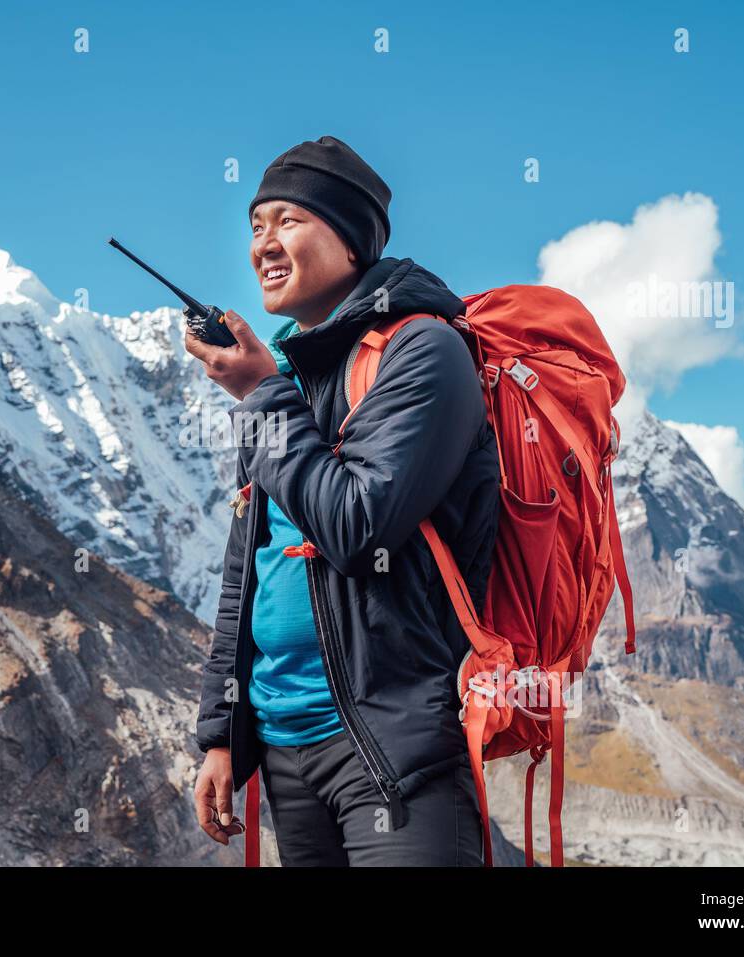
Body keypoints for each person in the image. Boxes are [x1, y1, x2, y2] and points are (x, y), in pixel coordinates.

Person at [187, 135, 501, 866]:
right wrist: (221, 734)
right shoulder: (286, 380)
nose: (264, 242)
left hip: (396, 753)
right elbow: (248, 572)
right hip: (288, 757)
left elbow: (358, 525)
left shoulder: (423, 353)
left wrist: (264, 395)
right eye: (255, 224)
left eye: (289, 220)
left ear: (353, 240)